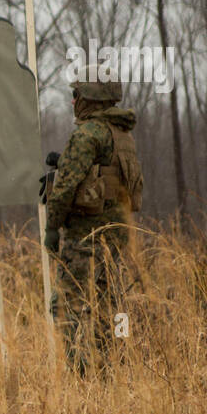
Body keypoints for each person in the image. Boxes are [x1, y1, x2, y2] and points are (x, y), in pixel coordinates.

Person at [43, 72, 144, 374]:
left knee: (64, 304)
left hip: (84, 237)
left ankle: (79, 372)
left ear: (90, 99)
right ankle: (111, 369)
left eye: (78, 95)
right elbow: (106, 176)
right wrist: (64, 160)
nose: (73, 101)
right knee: (110, 307)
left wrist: (51, 228)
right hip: (116, 237)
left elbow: (65, 189)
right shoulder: (122, 135)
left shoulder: (87, 134)